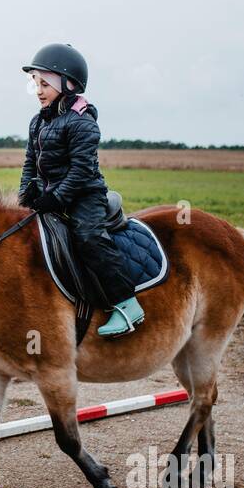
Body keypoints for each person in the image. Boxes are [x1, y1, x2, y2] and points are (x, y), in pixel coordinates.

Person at [18, 43, 144, 337]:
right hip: (49, 195)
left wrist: (56, 198)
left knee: (87, 237)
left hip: (84, 195)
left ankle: (126, 303)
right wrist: (25, 195)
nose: (38, 90)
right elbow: (29, 163)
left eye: (45, 83)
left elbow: (81, 171)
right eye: (36, 83)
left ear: (69, 84)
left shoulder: (82, 122)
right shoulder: (38, 121)